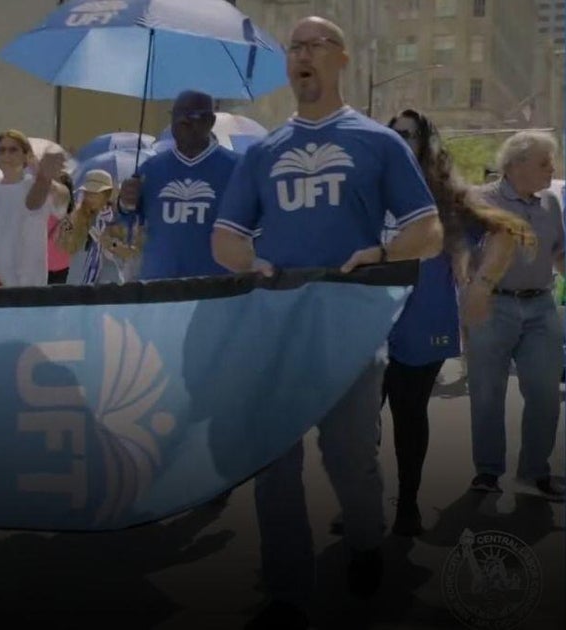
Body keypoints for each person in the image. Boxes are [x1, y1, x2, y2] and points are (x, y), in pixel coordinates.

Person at [210, 17, 443, 629]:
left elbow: (429, 231)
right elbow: (225, 239)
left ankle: (366, 540)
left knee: (350, 460)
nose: (302, 55)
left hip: (351, 330)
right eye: (294, 47)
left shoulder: (379, 143)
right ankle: (287, 591)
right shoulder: (260, 151)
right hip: (278, 326)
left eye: (315, 45)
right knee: (275, 463)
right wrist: (252, 261)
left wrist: (385, 251)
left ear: (341, 59)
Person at [378, 109, 536, 535]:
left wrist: (480, 286)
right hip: (369, 323)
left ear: (425, 143)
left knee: (408, 417)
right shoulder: (371, 187)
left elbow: (506, 232)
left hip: (422, 321)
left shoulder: (447, 198)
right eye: (390, 133)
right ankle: (362, 500)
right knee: (361, 423)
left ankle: (407, 503)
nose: (397, 140)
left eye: (407, 135)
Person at [466, 130, 564, 501]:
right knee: (487, 393)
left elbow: (559, 254)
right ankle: (488, 472)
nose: (551, 169)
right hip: (493, 306)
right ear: (515, 165)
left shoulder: (551, 203)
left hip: (541, 306)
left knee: (544, 394)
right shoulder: (479, 201)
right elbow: (460, 254)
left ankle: (535, 471)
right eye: (543, 162)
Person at [120, 90, 238, 280]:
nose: (183, 120)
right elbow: (125, 225)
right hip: (159, 289)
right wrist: (125, 204)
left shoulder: (236, 169)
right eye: (177, 114)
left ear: (210, 121)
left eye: (192, 114)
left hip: (214, 290)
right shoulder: (150, 169)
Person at [0, 129, 68, 286]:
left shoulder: (37, 186)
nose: (6, 156)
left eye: (13, 150)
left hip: (30, 284)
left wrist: (43, 175)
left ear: (26, 156)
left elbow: (63, 200)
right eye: (1, 151)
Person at [56, 169, 138, 285]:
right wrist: (69, 233)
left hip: (110, 286)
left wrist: (111, 244)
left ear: (107, 194)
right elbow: (65, 246)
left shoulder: (118, 217)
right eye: (88, 193)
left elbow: (131, 252)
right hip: (79, 284)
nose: (89, 198)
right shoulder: (75, 217)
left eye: (95, 193)